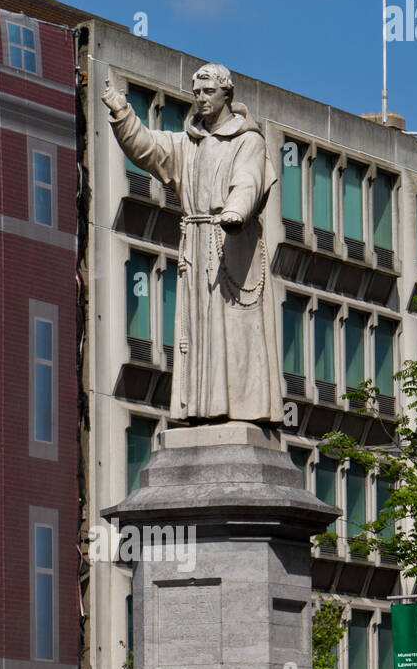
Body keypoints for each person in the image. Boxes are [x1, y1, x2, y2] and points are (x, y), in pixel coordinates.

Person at [103, 63, 284, 425]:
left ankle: (239, 411)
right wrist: (122, 111)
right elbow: (147, 148)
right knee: (199, 332)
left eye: (208, 92)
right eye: (197, 93)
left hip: (232, 243)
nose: (200, 99)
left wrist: (235, 211)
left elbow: (248, 181)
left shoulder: (248, 140)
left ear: (226, 95)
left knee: (233, 332)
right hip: (196, 246)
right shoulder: (188, 144)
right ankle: (203, 409)